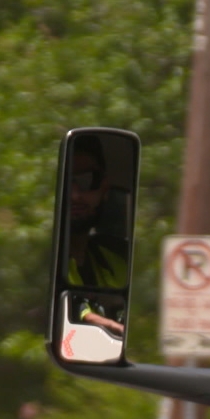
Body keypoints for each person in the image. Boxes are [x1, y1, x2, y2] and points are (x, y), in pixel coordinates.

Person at [65, 134, 129, 335]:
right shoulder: (40, 260)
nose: (75, 195)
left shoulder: (118, 261)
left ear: (105, 188)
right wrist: (85, 315)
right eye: (66, 182)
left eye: (88, 180)